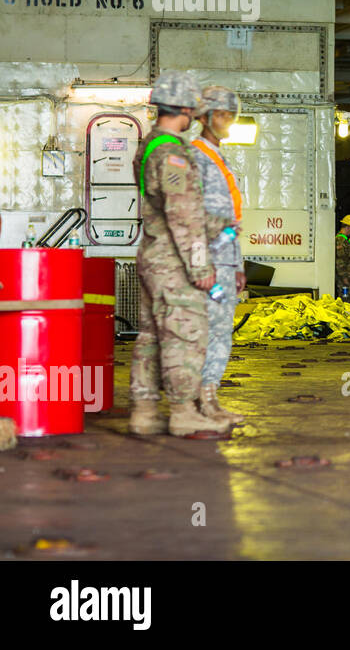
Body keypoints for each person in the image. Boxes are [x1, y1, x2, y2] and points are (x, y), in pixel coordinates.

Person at [129, 71, 224, 437]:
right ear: (185, 108)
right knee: (185, 332)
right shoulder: (172, 154)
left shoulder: (148, 145)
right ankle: (183, 411)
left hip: (152, 255)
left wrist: (216, 222)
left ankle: (145, 411)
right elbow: (182, 214)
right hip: (173, 262)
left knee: (151, 337)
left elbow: (165, 206)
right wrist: (200, 266)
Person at [191, 86, 246, 427]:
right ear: (206, 117)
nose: (228, 121)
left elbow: (232, 220)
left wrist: (238, 265)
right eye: (223, 115)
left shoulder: (219, 157)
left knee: (221, 331)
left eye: (230, 115)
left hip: (226, 261)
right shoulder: (196, 156)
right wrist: (203, 263)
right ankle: (202, 400)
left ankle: (209, 396)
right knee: (208, 331)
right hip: (209, 262)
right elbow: (191, 217)